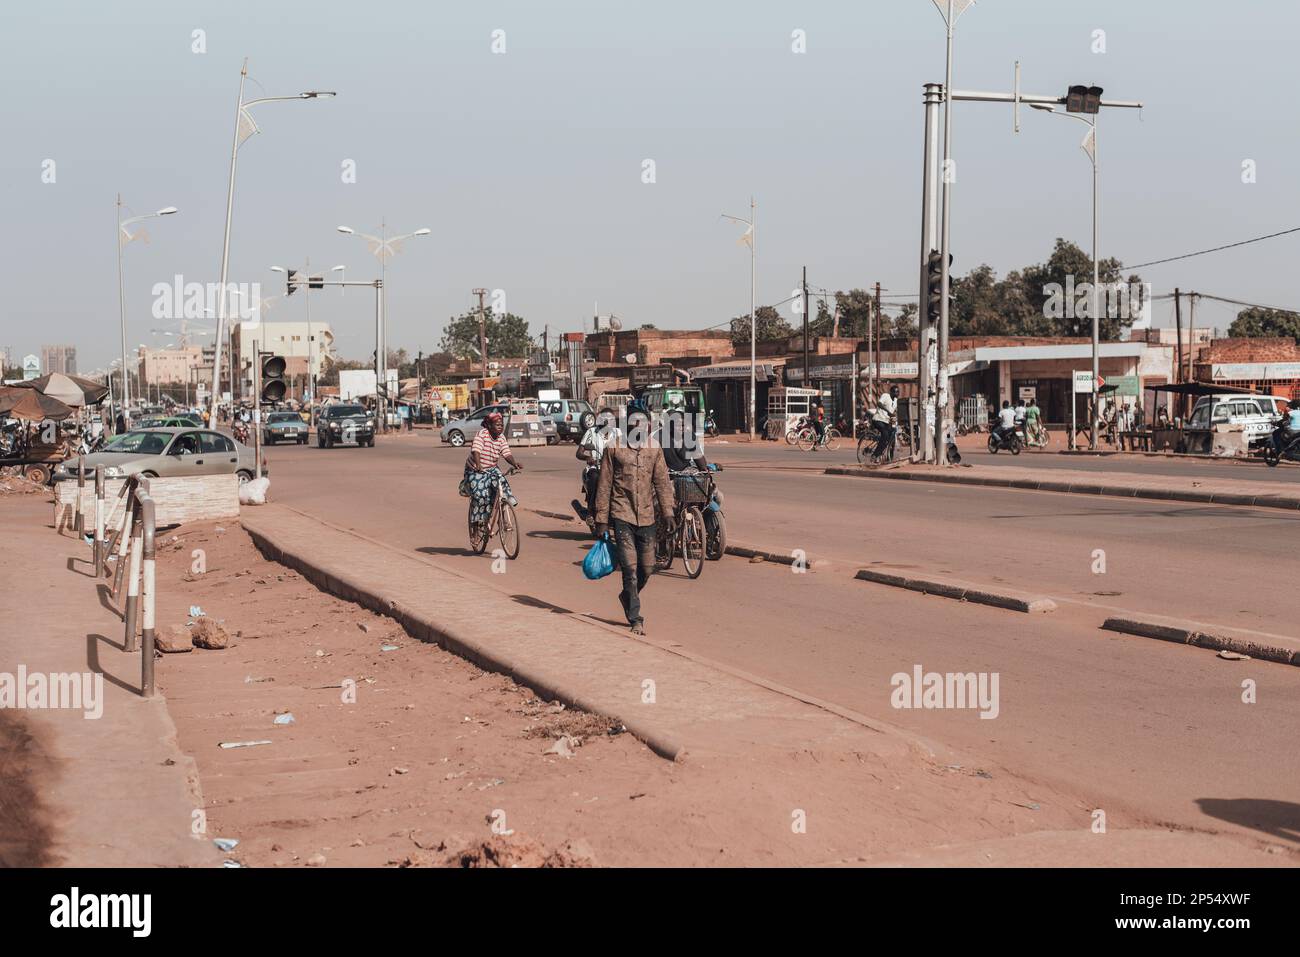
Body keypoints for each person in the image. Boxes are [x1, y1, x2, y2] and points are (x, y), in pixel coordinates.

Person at [593, 409, 674, 636]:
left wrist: (668, 512)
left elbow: (662, 482)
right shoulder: (614, 448)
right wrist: (601, 520)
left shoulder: (654, 448)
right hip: (622, 514)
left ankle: (627, 595)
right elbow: (604, 485)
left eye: (643, 423)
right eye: (633, 422)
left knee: (646, 568)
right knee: (629, 569)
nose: (638, 426)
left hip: (647, 516)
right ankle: (635, 618)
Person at [464, 411, 521, 530]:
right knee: (480, 495)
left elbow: (506, 453)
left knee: (503, 488)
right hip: (475, 469)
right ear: (489, 426)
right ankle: (476, 524)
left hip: (492, 468)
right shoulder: (482, 434)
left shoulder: (501, 437)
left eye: (502, 424)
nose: (501, 426)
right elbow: (476, 450)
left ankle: (504, 519)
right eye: (497, 424)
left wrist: (514, 463)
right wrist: (478, 465)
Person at [573, 411, 621, 523]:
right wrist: (587, 458)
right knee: (594, 478)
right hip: (596, 466)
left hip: (614, 466)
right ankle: (590, 511)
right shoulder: (591, 432)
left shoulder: (618, 433)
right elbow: (579, 453)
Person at [871, 386, 899, 459]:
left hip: (886, 422)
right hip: (878, 419)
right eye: (895, 391)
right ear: (891, 392)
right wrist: (888, 412)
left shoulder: (895, 401)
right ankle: (875, 454)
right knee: (885, 435)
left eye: (898, 391)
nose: (897, 393)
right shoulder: (885, 396)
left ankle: (889, 458)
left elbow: (894, 411)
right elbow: (879, 403)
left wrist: (894, 417)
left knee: (892, 436)